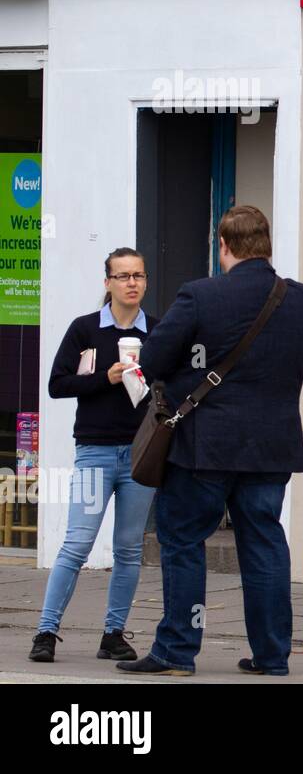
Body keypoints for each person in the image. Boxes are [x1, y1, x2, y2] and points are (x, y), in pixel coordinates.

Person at [116, 205, 303, 677]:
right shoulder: (301, 299)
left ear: (222, 245)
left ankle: (176, 650)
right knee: (264, 543)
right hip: (272, 445)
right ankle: (272, 655)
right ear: (267, 245)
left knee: (184, 542)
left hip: (203, 446)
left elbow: (154, 360)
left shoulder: (200, 295)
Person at [30, 248, 156, 663]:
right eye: (123, 276)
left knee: (129, 549)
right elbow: (57, 384)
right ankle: (46, 632)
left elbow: (169, 387)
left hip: (140, 454)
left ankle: (113, 634)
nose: (132, 283)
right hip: (95, 452)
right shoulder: (85, 330)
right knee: (77, 544)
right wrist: (106, 377)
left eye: (138, 275)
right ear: (108, 283)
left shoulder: (156, 331)